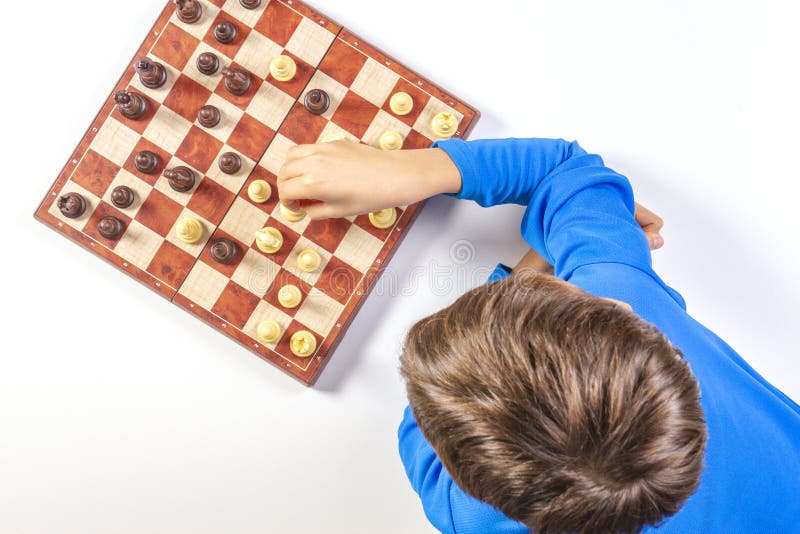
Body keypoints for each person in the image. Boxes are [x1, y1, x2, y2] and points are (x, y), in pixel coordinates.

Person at [277, 138, 800, 533]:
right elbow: (567, 168)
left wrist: (540, 260)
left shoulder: (460, 509)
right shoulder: (625, 293)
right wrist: (413, 169)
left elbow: (422, 421)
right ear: (615, 309)